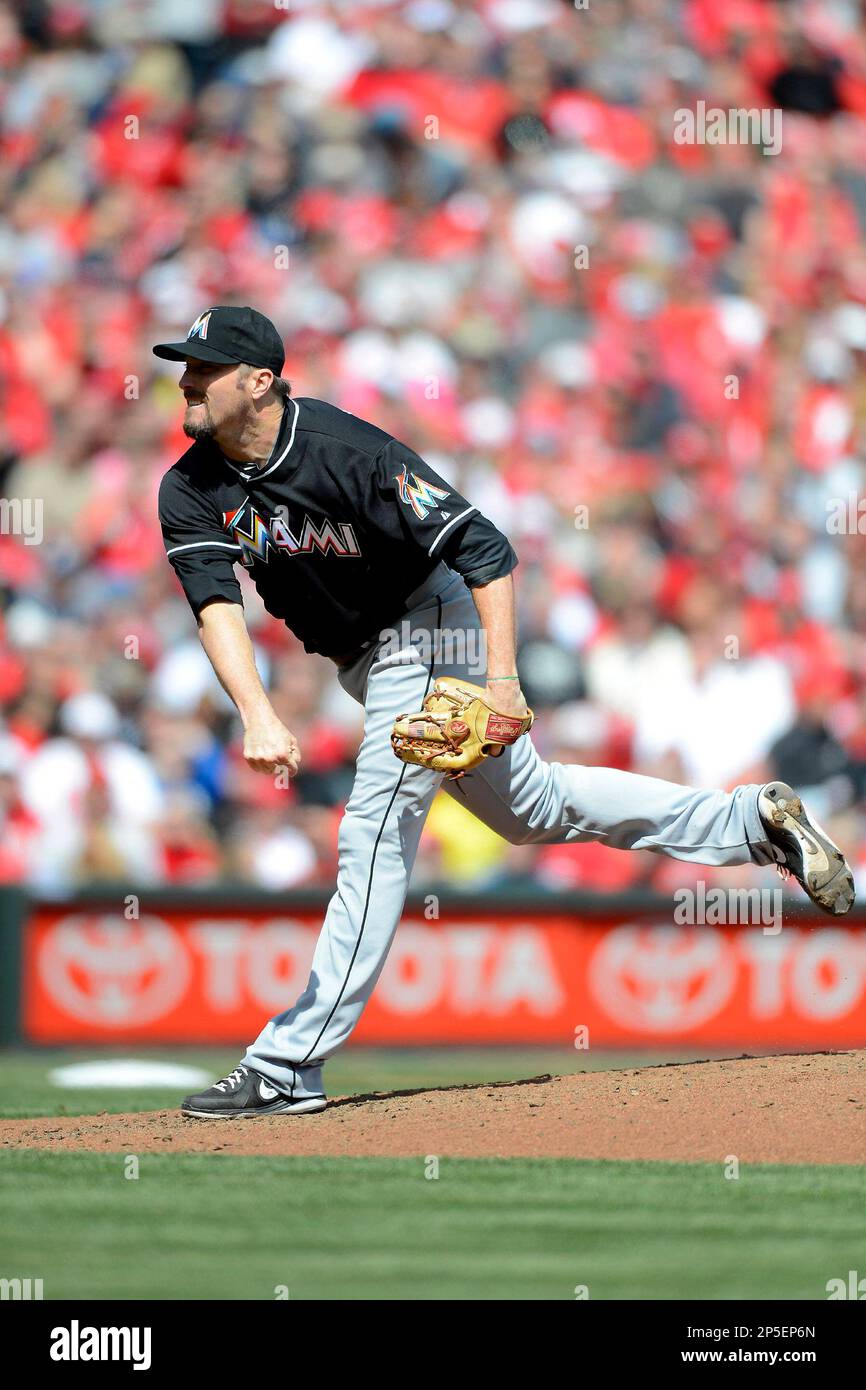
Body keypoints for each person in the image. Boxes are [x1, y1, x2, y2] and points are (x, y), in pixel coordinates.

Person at [154, 306, 855, 1119]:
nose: (185, 380)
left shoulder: (348, 451)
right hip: (364, 659)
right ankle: (747, 825)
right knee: (532, 809)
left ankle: (286, 1064)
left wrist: (501, 683)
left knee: (372, 835)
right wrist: (258, 712)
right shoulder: (189, 485)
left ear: (261, 381)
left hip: (429, 625)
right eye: (185, 365)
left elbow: (483, 548)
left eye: (203, 368)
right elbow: (215, 604)